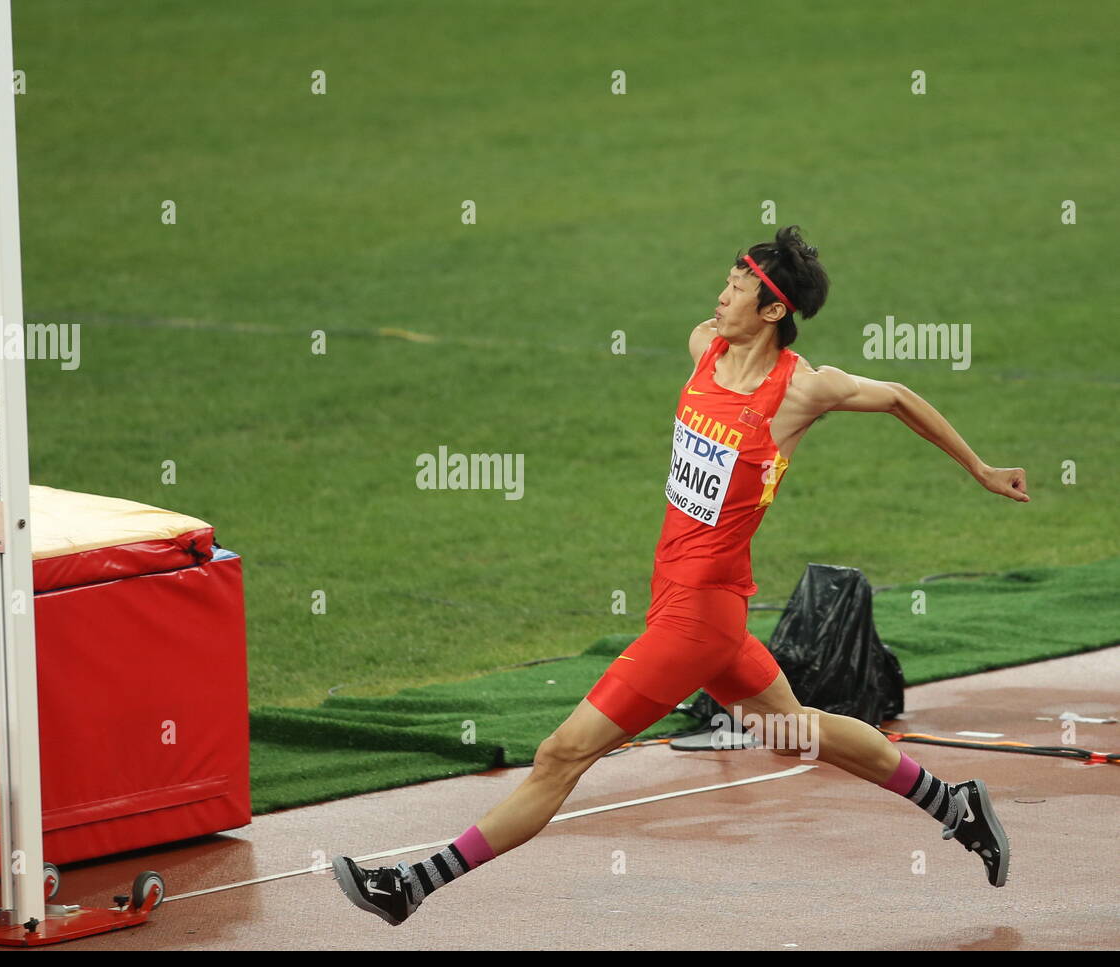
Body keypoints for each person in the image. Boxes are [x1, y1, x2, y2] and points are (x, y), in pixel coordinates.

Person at [334, 226, 1028, 926]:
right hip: (690, 602)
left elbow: (901, 395)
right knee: (792, 729)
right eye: (727, 278)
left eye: (738, 285)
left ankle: (414, 884)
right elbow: (721, 341)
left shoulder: (803, 391)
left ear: (773, 310)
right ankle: (954, 802)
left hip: (697, 618)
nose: (721, 294)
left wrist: (979, 468)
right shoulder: (705, 348)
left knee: (560, 754)